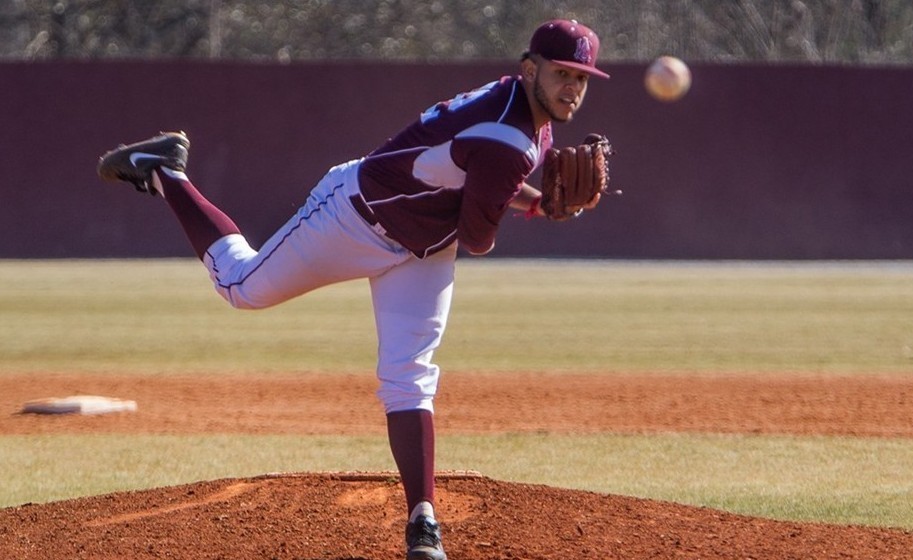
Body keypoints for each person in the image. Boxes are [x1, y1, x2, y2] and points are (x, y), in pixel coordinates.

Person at [96, 18, 610, 560]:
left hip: (425, 244)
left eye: (581, 78)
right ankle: (166, 172)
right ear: (529, 69)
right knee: (240, 285)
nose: (572, 88)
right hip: (354, 218)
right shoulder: (511, 133)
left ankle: (422, 522)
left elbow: (479, 170)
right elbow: (480, 236)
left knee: (409, 376)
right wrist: (542, 208)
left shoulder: (522, 110)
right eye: (561, 74)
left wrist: (536, 202)